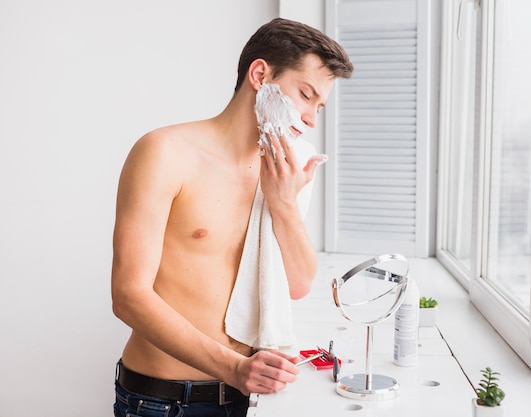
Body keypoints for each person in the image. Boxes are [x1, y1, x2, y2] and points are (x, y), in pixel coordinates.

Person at [111, 17, 353, 417]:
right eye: (306, 95)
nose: (311, 118)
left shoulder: (286, 172)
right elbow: (128, 296)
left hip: (247, 396)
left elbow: (297, 284)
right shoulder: (164, 153)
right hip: (163, 400)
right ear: (260, 74)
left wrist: (283, 203)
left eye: (319, 106)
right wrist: (234, 367)